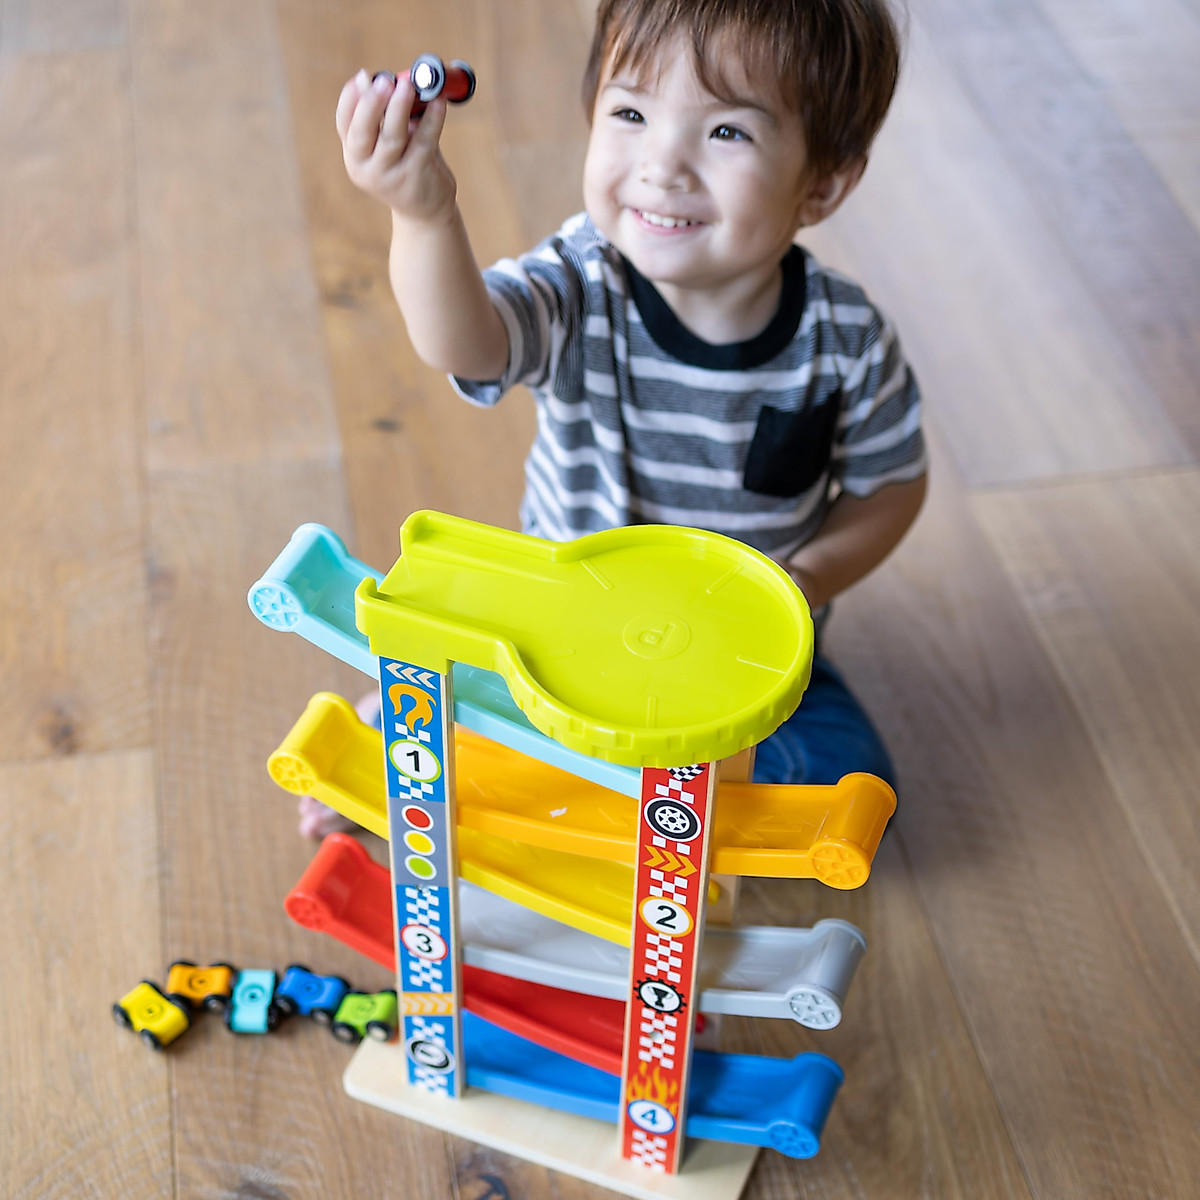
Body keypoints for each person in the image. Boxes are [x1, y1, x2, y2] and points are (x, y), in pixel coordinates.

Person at [300, 0, 927, 837]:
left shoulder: (844, 339)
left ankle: (580, 777)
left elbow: (892, 488)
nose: (662, 165)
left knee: (851, 789)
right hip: (559, 639)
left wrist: (806, 580)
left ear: (823, 183)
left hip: (738, 666)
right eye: (631, 113)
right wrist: (422, 214)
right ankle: (455, 748)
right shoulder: (581, 281)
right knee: (466, 698)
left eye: (727, 133)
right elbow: (470, 345)